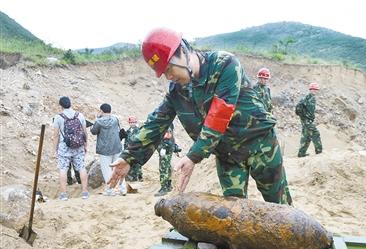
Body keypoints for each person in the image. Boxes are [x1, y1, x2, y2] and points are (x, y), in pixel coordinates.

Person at [109, 28, 292, 205]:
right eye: (164, 73)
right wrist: (128, 157)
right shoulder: (177, 91)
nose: (169, 77)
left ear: (183, 51)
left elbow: (219, 114)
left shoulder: (224, 64)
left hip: (259, 144)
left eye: (169, 68)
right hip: (227, 156)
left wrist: (193, 156)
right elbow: (156, 122)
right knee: (234, 212)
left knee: (281, 206)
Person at [52, 96, 89, 200]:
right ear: (70, 103)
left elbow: (55, 136)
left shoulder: (58, 117)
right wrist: (86, 145)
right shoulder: (79, 115)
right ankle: (85, 192)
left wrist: (54, 150)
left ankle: (64, 194)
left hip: (64, 148)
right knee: (81, 168)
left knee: (63, 169)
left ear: (61, 105)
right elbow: (84, 132)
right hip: (79, 146)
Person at [91, 103, 127, 196]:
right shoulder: (115, 119)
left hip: (104, 149)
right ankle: (123, 189)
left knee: (107, 170)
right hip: (116, 147)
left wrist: (96, 119)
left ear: (102, 111)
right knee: (119, 169)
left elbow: (93, 131)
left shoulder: (99, 121)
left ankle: (110, 190)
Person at [296, 82, 323, 157]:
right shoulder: (306, 98)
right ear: (310, 89)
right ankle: (319, 152)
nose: (315, 91)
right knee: (315, 134)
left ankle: (301, 154)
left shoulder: (312, 98)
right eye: (313, 89)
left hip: (308, 121)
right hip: (307, 121)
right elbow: (298, 108)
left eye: (316, 90)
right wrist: (303, 117)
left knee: (306, 136)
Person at [155, 124, 181, 197]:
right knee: (167, 167)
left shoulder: (166, 123)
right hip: (168, 147)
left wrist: (164, 146)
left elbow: (168, 135)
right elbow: (171, 136)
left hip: (165, 148)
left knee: (163, 168)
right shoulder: (170, 122)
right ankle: (169, 186)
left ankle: (164, 188)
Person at [123, 116, 143, 182]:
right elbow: (126, 141)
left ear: (136, 122)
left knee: (136, 166)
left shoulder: (138, 130)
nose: (132, 123)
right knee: (129, 165)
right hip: (128, 150)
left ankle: (138, 177)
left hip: (136, 151)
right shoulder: (127, 131)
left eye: (133, 122)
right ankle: (130, 179)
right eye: (131, 122)